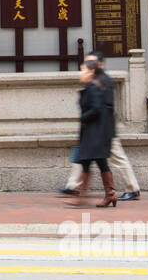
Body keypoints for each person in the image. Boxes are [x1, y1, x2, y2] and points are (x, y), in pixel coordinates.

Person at [59, 51, 141, 201]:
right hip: (94, 130)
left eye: (91, 63)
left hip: (104, 131)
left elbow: (104, 108)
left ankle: (132, 188)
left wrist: (87, 119)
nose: (87, 66)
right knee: (84, 158)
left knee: (115, 159)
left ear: (99, 64)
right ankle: (73, 186)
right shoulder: (94, 81)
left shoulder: (103, 81)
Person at [67, 54, 117, 208]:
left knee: (90, 162)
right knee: (95, 162)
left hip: (95, 132)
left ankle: (83, 195)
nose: (80, 72)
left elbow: (96, 108)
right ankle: (110, 194)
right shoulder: (96, 84)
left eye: (83, 69)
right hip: (97, 131)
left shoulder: (93, 86)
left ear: (90, 71)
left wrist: (84, 118)